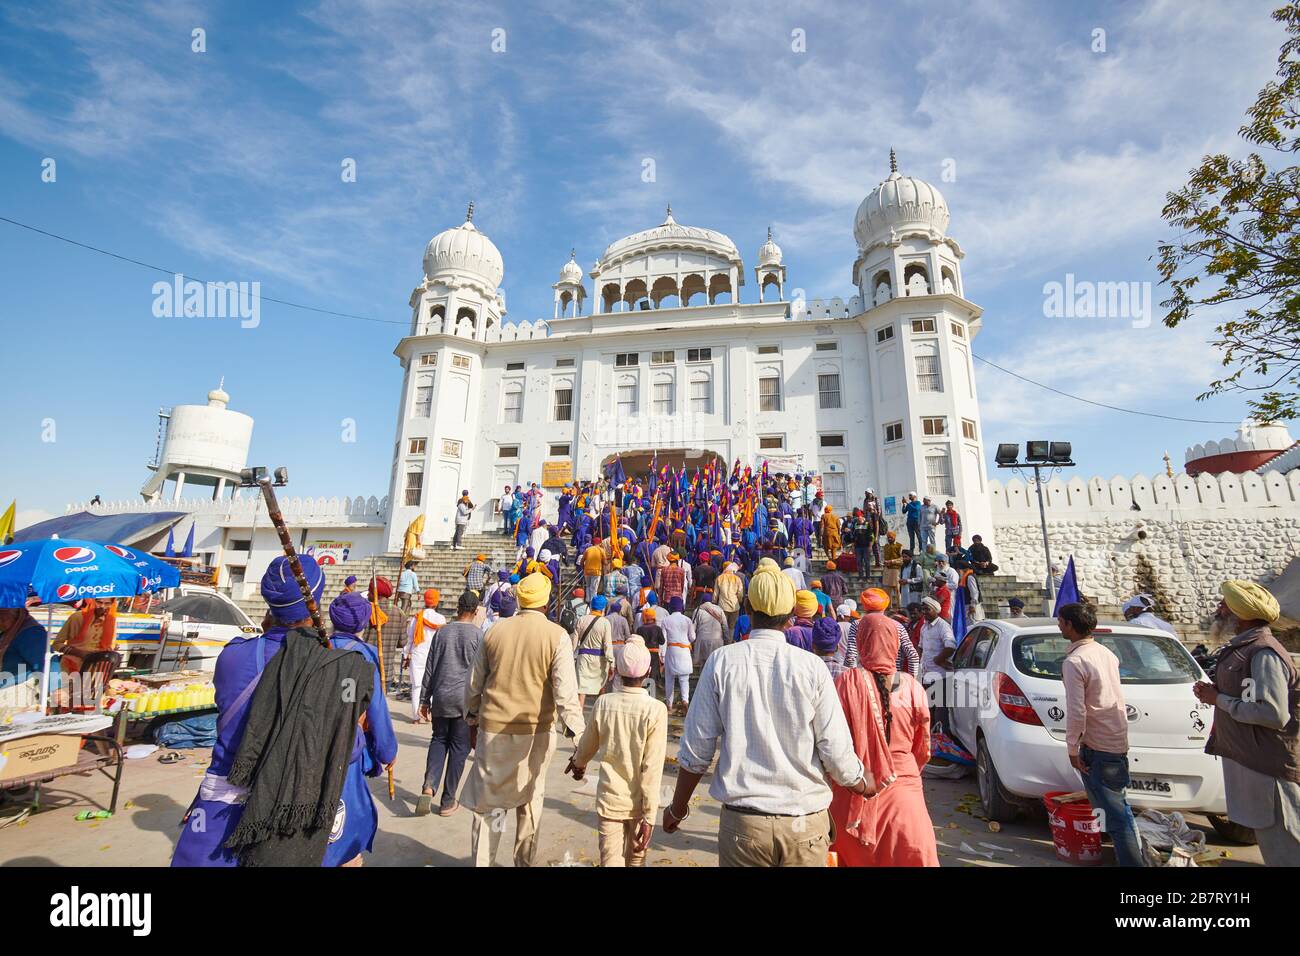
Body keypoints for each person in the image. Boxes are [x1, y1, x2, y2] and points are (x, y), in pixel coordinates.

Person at [172, 555, 379, 867]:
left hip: (218, 813)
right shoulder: (337, 669)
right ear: (315, 603)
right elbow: (346, 750)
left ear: (269, 604)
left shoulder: (233, 656)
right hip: (287, 819)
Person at [663, 561, 871, 866]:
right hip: (804, 824)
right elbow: (834, 749)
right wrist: (861, 782)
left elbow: (697, 751)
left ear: (747, 608)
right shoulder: (812, 667)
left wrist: (677, 808)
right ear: (791, 615)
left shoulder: (722, 662)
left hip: (744, 826)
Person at [461, 571, 585, 867]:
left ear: (519, 601)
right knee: (530, 803)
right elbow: (566, 697)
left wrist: (472, 720)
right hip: (536, 734)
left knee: (490, 806)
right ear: (546, 602)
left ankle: (483, 863)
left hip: (493, 731)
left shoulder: (495, 631)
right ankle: (523, 863)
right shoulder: (556, 635)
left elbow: (473, 685)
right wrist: (580, 744)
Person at [1194, 581, 1300, 866]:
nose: (1219, 609)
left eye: (1224, 604)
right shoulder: (1245, 648)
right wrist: (1215, 695)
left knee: (1286, 848)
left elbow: (1273, 714)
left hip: (1268, 770)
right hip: (1253, 766)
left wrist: (1220, 699)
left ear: (1241, 614)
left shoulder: (1263, 653)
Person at [829, 608, 938, 867]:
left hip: (854, 789)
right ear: (895, 644)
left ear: (861, 642)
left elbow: (831, 739)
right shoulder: (912, 687)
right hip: (904, 796)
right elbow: (922, 747)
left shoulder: (847, 682)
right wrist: (904, 769)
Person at [566, 641, 667, 867]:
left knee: (610, 860)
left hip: (610, 799)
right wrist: (650, 816)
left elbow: (586, 746)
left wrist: (578, 763)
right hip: (639, 803)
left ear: (617, 673)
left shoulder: (604, 703)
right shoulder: (655, 709)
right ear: (648, 672)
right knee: (636, 860)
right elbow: (652, 768)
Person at [1057, 601, 1144, 867]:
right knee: (1118, 811)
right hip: (1114, 740)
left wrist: (1072, 748)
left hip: (1099, 746)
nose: (1059, 625)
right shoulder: (1105, 653)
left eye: (1061, 621)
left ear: (1069, 625)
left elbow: (1077, 710)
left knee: (1117, 818)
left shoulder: (1075, 661)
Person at [322, 590, 399, 866]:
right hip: (346, 749)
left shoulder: (319, 647)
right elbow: (376, 709)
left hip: (311, 745)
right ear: (364, 624)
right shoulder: (365, 655)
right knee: (343, 832)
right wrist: (387, 750)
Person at [417, 590, 484, 817]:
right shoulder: (478, 636)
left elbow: (430, 667)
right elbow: (481, 673)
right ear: (475, 611)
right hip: (464, 701)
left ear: (458, 608)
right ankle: (447, 801)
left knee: (438, 740)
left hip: (441, 696)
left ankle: (429, 785)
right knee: (459, 748)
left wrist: (424, 699)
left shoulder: (442, 632)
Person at [403, 589, 444, 722]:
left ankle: (416, 717)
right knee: (433, 685)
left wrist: (406, 655)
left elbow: (410, 638)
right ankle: (429, 715)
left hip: (418, 654)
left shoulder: (416, 618)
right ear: (436, 602)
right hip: (434, 655)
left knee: (417, 686)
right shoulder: (441, 619)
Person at [918, 597, 956, 736]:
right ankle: (931, 738)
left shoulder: (942, 626)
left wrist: (938, 660)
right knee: (929, 708)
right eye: (923, 609)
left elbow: (951, 646)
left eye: (927, 609)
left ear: (936, 610)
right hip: (926, 673)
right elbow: (920, 647)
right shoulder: (924, 627)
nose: (924, 612)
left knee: (940, 710)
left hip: (940, 675)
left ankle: (943, 739)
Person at [574, 595, 614, 708]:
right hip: (600, 661)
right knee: (601, 687)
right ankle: (600, 712)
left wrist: (571, 656)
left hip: (583, 658)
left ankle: (578, 715)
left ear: (591, 606)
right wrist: (611, 663)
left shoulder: (581, 620)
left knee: (581, 690)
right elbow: (607, 645)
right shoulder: (605, 623)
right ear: (603, 608)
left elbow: (574, 642)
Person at [660, 596, 695, 713]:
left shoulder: (665, 620)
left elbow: (663, 640)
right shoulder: (687, 620)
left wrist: (662, 656)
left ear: (671, 607)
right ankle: (685, 701)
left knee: (669, 679)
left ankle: (669, 705)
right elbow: (692, 638)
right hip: (684, 651)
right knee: (684, 680)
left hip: (671, 650)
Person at [0, 605, 47, 692]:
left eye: (2, 616)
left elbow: (45, 663)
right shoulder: (8, 631)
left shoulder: (31, 632)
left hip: (16, 691)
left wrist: (55, 689)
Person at [691, 591, 727, 671]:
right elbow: (725, 626)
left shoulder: (698, 610)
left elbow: (692, 629)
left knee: (703, 665)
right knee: (716, 664)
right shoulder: (719, 609)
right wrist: (726, 640)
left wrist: (692, 642)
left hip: (702, 640)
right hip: (717, 640)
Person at [714, 562, 744, 635]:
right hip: (734, 607)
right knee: (732, 627)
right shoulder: (737, 579)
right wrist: (739, 601)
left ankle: (722, 640)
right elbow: (740, 594)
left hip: (722, 606)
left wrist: (714, 603)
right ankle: (730, 640)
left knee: (722, 626)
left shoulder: (719, 578)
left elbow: (715, 594)